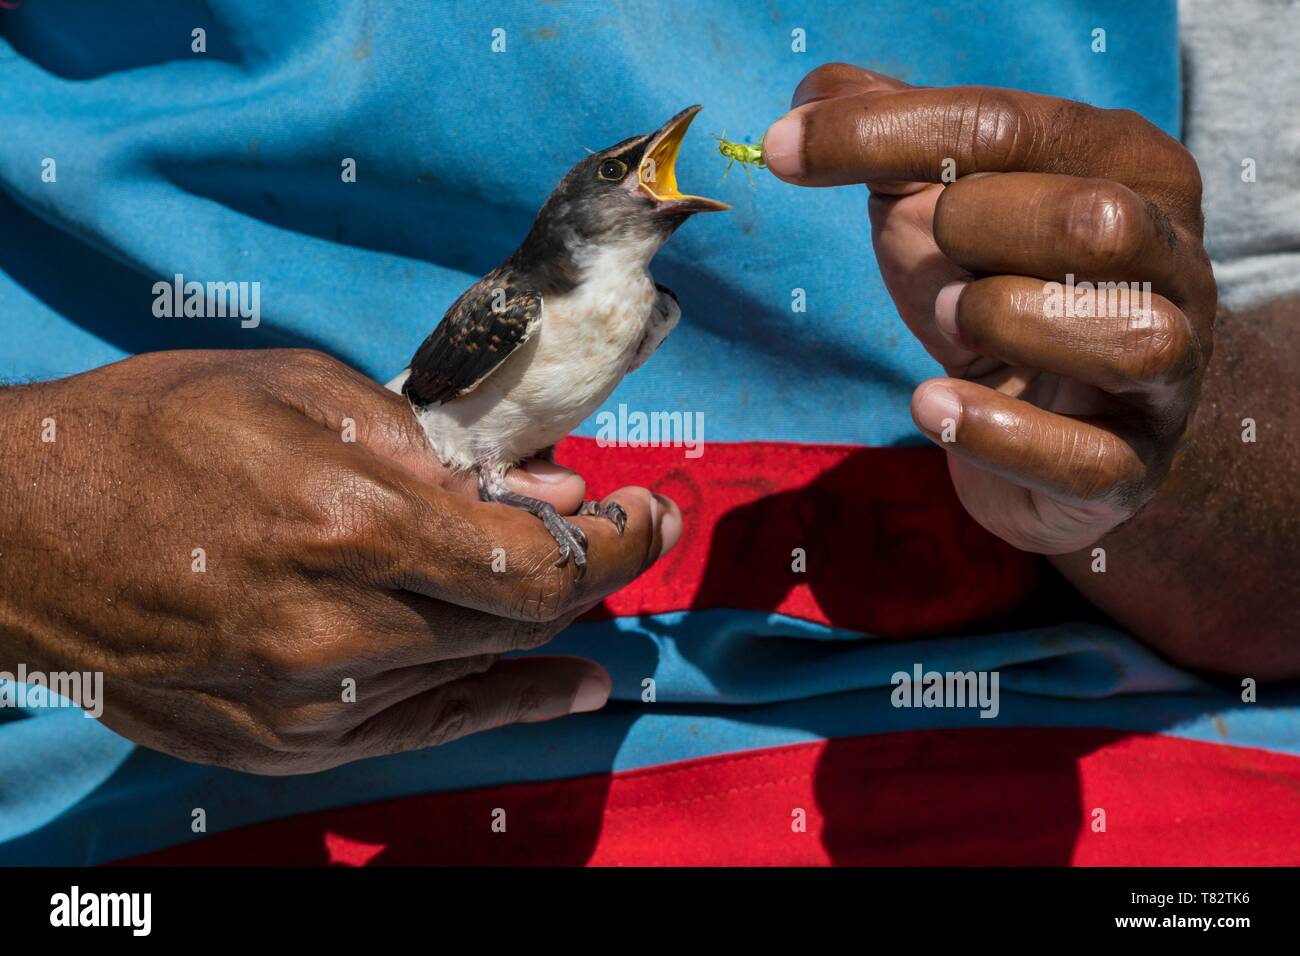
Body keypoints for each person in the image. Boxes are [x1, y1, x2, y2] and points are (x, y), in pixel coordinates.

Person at [1, 0, 1297, 865]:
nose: (662, 177)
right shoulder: (509, 302)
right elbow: (418, 415)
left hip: (1092, 774)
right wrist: (30, 531)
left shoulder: (644, 313)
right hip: (184, 792)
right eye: (635, 171)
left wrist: (1154, 428)